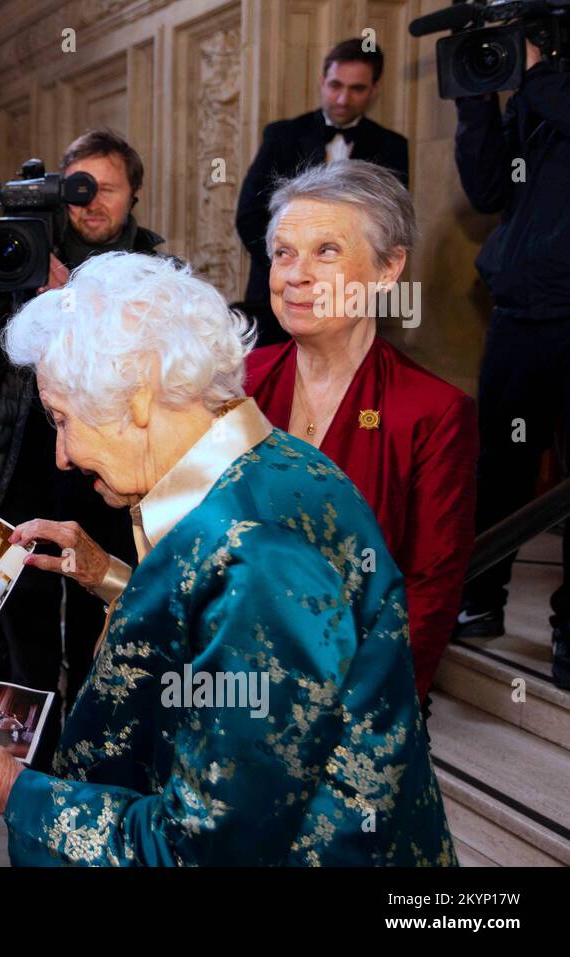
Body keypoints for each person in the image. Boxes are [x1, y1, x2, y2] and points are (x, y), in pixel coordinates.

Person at [0, 251, 455, 866]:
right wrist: (115, 580)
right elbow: (221, 642)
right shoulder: (275, 464)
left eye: (62, 421)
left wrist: (8, 789)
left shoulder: (258, 559)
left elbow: (202, 850)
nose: (62, 455)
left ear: (141, 397)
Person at [245, 161, 477, 704]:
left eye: (327, 251)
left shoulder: (433, 413)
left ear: (388, 268)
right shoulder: (237, 384)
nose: (296, 275)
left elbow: (430, 593)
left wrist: (363, 710)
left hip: (356, 702)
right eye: (284, 252)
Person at [0, 128, 157, 760]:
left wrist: (72, 300)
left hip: (116, 489)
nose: (91, 202)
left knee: (108, 642)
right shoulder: (18, 253)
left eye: (107, 188)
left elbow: (153, 381)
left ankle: (97, 776)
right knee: (30, 650)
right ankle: (37, 777)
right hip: (24, 481)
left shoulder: (156, 268)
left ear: (134, 196)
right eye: (78, 189)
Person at [452, 40, 570, 689]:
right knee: (500, 465)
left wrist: (536, 71)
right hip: (520, 311)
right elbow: (489, 186)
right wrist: (477, 101)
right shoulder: (537, 91)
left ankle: (568, 631)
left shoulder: (550, 82)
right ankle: (480, 594)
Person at [236, 38, 408, 346]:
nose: (343, 98)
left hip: (351, 300)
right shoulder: (282, 135)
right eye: (335, 85)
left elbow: (391, 229)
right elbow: (249, 215)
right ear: (322, 81)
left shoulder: (392, 146)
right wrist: (287, 267)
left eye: (357, 89)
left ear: (375, 88)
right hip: (274, 300)